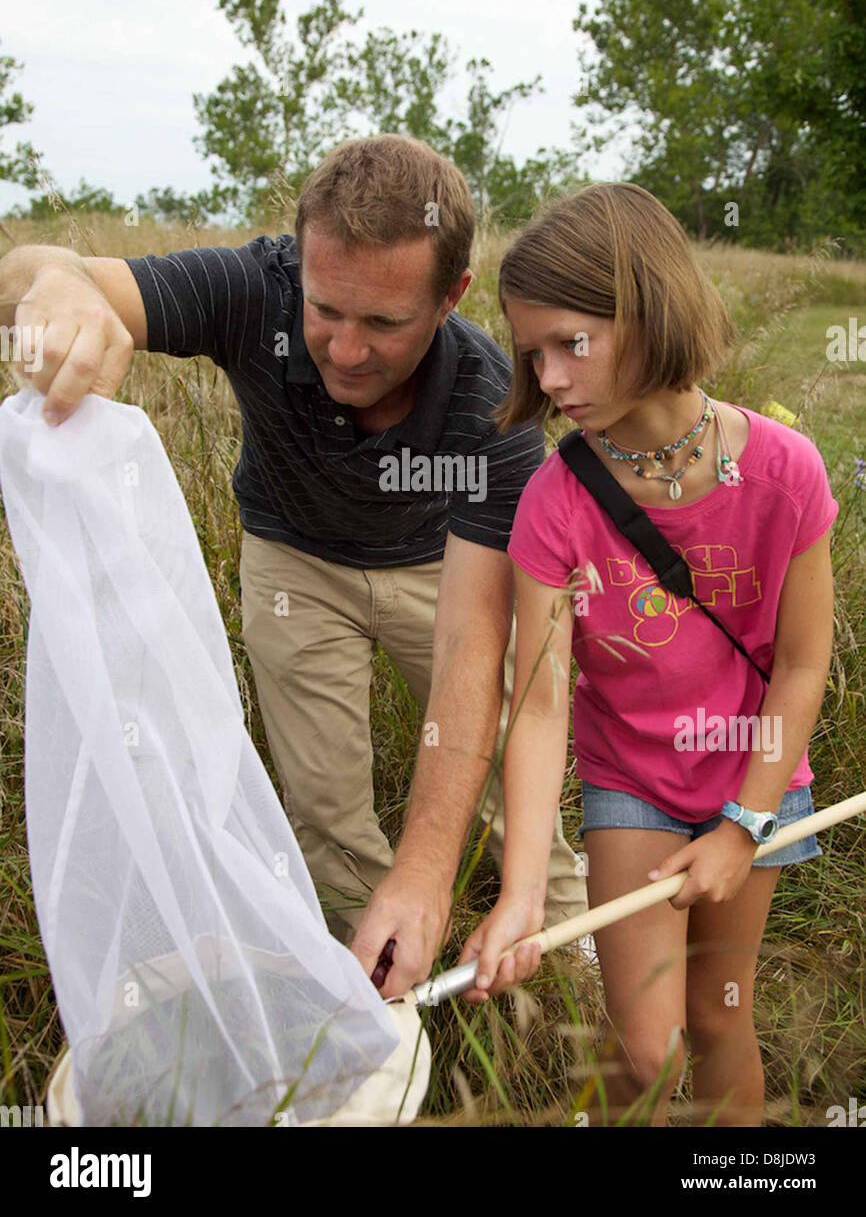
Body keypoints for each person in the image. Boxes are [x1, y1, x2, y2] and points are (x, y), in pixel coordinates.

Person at [0, 133, 589, 1002]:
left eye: (385, 322)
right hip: (294, 566)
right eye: (326, 311)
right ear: (300, 272)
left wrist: (430, 871)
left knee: (505, 771)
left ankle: (575, 968)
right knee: (324, 811)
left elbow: (471, 647)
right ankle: (380, 1002)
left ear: (451, 295)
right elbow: (37, 268)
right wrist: (54, 288)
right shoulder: (252, 290)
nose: (347, 350)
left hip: (440, 570)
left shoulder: (487, 402)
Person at [457, 182, 837, 1127]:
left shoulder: (787, 470)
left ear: (649, 310)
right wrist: (518, 898)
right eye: (531, 352)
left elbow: (800, 665)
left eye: (570, 344)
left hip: (758, 774)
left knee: (718, 1016)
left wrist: (745, 825)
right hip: (635, 779)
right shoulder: (555, 502)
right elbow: (540, 706)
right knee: (644, 1049)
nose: (546, 376)